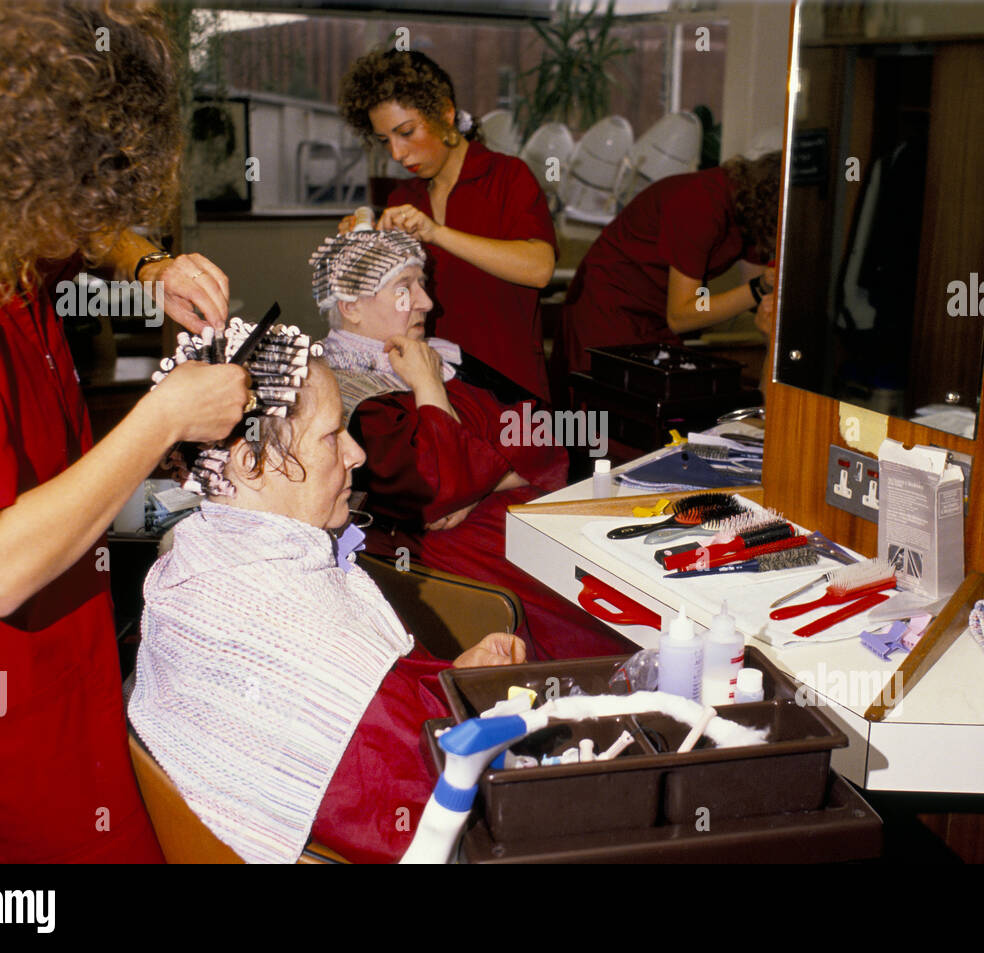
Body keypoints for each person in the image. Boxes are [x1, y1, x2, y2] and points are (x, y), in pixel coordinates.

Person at [0, 0, 249, 863]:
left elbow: (94, 229)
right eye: (84, 192)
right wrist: (162, 414)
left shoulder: (2, 229)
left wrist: (150, 265)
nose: (87, 223)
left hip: (76, 652)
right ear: (25, 173)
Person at [129, 353, 525, 864]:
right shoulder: (308, 644)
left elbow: (381, 721)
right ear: (252, 465)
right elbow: (439, 813)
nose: (356, 453)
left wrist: (448, 681)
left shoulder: (193, 563)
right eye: (332, 435)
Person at [311, 230, 637, 661]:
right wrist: (428, 387)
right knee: (610, 634)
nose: (426, 302)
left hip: (519, 524)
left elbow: (547, 431)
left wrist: (491, 478)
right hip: (454, 564)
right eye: (404, 289)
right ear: (351, 306)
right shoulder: (348, 392)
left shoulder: (440, 357)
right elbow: (438, 491)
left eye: (421, 285)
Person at [338, 50, 557, 401]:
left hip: (510, 391)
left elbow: (540, 269)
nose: (395, 153)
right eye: (385, 141)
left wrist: (437, 233)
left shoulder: (507, 178)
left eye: (406, 132)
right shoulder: (403, 198)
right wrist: (358, 251)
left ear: (445, 113)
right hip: (435, 390)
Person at [556, 152, 781, 387]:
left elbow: (753, 295)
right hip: (609, 304)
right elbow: (682, 317)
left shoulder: (751, 214)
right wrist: (758, 289)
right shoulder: (703, 202)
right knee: (610, 404)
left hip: (656, 314)